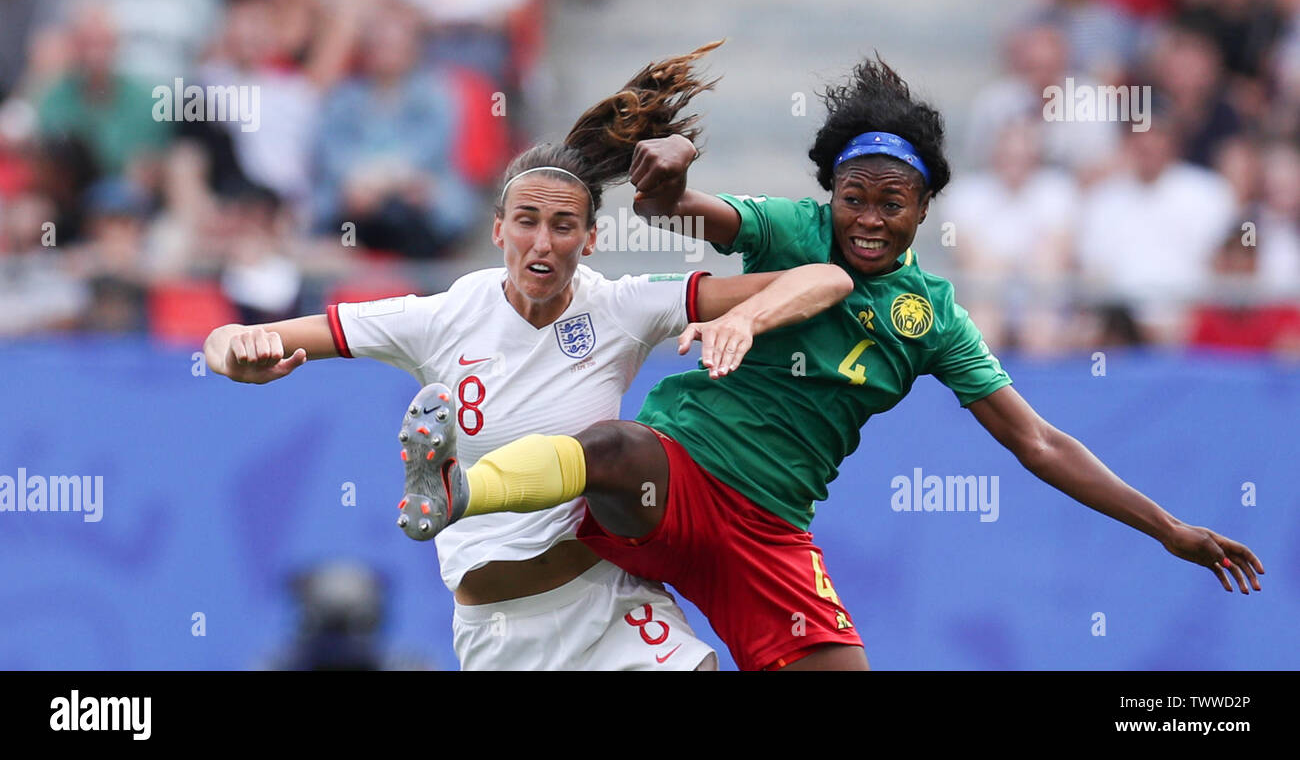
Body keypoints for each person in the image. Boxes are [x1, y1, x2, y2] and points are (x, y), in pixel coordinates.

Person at [410, 56, 1266, 671]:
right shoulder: (792, 229)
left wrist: (1168, 529)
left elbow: (1038, 444)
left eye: (892, 203)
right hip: (675, 479)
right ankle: (455, 491)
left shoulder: (933, 318)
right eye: (853, 198)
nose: (867, 220)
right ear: (831, 196)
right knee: (614, 448)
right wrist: (665, 177)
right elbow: (683, 209)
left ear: (926, 206)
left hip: (769, 531)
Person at [203, 42, 854, 670]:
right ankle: (457, 493)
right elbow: (243, 339)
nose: (542, 242)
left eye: (563, 225)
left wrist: (744, 316)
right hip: (501, 634)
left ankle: (461, 491)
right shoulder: (439, 317)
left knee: (619, 454)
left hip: (610, 605)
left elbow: (829, 280)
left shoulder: (621, 306)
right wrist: (236, 351)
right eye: (526, 221)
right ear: (497, 229)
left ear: (591, 238)